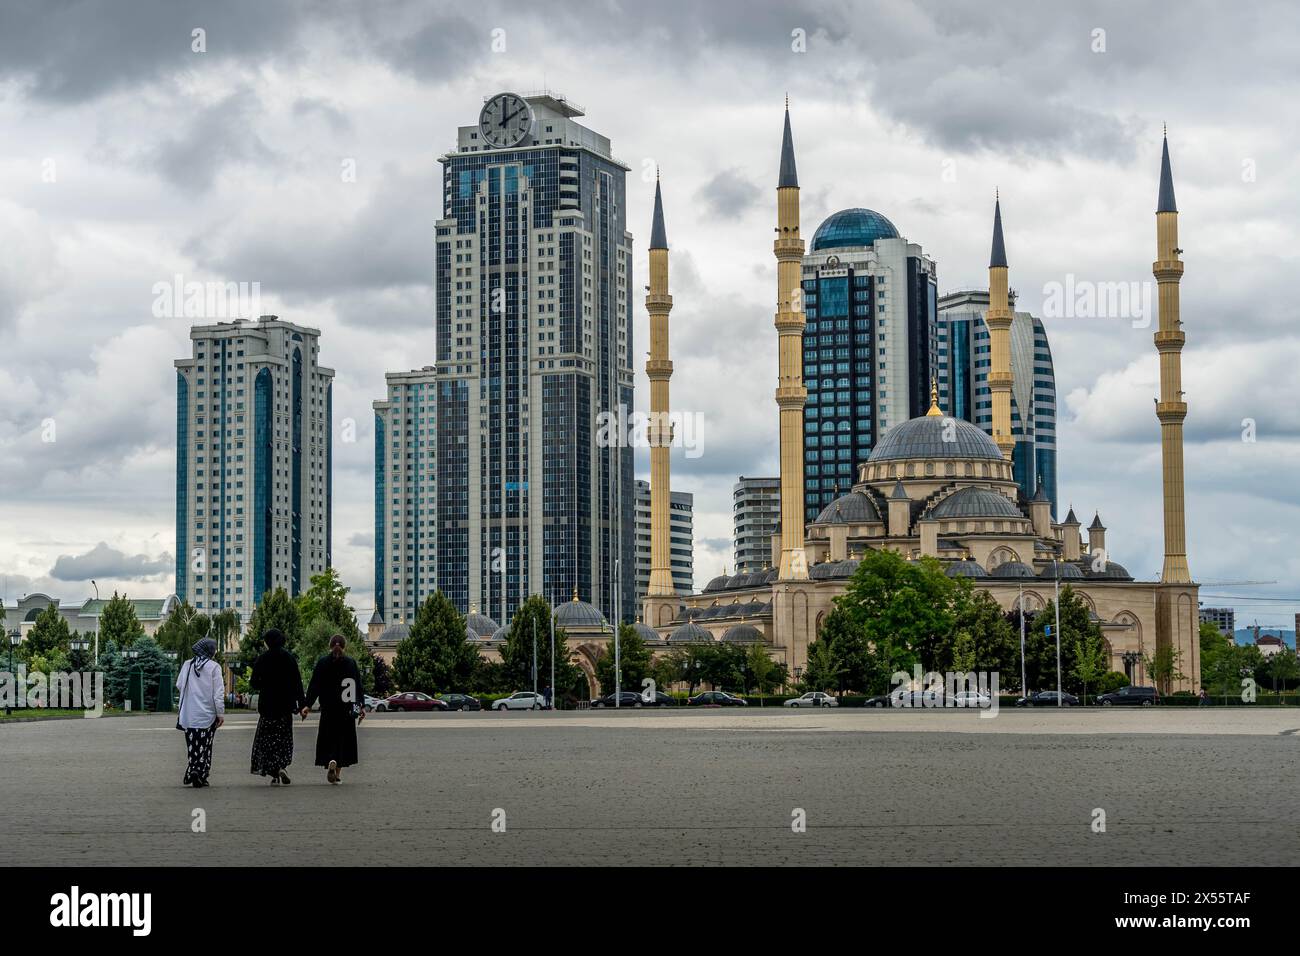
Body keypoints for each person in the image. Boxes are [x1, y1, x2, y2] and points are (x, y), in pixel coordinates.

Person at [300, 634, 365, 784]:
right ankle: (337, 773)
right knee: (343, 741)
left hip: (328, 709)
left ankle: (331, 759)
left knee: (328, 738)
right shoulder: (350, 663)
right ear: (344, 646)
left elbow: (314, 685)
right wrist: (360, 707)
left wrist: (307, 705)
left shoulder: (323, 663)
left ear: (330, 646)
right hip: (346, 710)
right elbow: (356, 688)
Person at [249, 627, 306, 786]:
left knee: (267, 740)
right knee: (283, 738)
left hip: (267, 707)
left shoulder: (262, 659)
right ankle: (281, 765)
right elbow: (297, 683)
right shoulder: (289, 658)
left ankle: (274, 773)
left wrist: (265, 684)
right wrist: (302, 705)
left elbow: (253, 682)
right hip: (285, 706)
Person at [176, 637, 224, 788]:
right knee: (205, 744)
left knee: (192, 745)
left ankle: (193, 768)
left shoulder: (187, 665)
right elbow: (218, 693)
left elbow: (179, 684)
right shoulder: (214, 667)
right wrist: (220, 713)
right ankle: (201, 772)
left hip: (189, 714)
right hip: (208, 714)